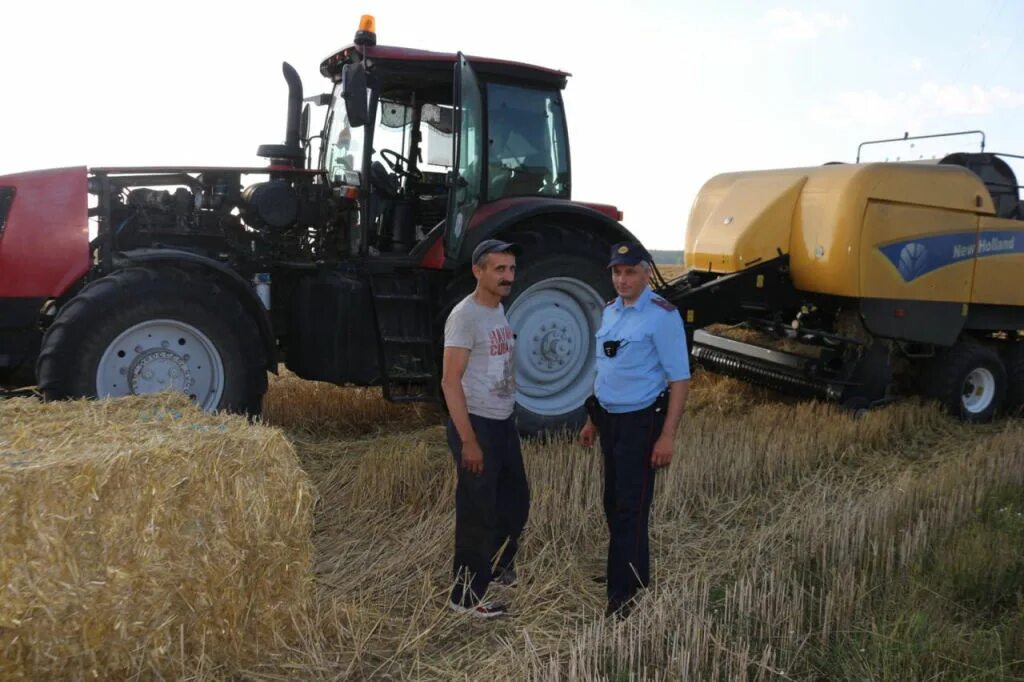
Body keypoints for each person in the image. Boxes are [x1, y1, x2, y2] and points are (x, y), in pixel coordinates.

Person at [579, 241, 691, 619]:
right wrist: (592, 419)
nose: (622, 279)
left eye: (630, 272)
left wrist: (668, 436)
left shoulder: (662, 316)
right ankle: (631, 573)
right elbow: (606, 369)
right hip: (610, 420)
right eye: (616, 272)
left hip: (642, 422)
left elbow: (679, 380)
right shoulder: (611, 312)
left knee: (631, 506)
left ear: (646, 273)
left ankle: (622, 595)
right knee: (615, 502)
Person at [441, 238, 530, 619]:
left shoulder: (498, 310)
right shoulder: (466, 316)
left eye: (511, 269)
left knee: (515, 502)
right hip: (476, 424)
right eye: (499, 269)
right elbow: (450, 381)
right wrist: (469, 441)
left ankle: (494, 567)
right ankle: (464, 596)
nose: (508, 276)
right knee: (477, 512)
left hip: (502, 422)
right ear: (478, 271)